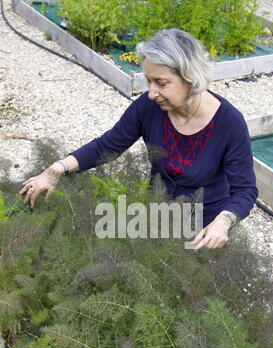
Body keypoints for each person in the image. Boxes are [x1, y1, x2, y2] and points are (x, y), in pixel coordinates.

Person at [19, 28, 258, 250]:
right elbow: (108, 145)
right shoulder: (149, 106)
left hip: (203, 228)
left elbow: (245, 190)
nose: (152, 92)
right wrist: (57, 168)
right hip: (155, 213)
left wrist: (223, 222)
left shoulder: (229, 124)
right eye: (149, 81)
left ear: (190, 79)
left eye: (161, 83)